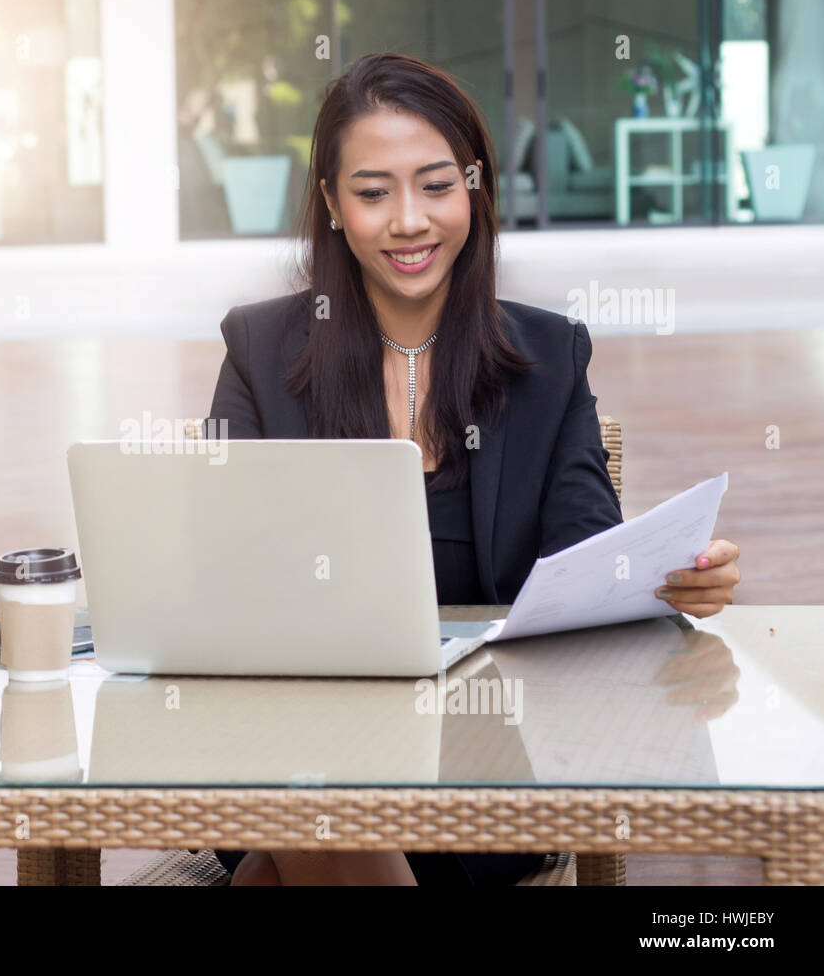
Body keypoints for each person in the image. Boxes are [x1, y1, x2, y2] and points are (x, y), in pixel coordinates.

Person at [203, 51, 742, 886]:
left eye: (437, 185)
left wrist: (671, 577)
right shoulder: (261, 348)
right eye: (373, 192)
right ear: (333, 206)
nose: (409, 221)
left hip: (491, 765)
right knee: (317, 786)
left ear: (476, 187)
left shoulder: (548, 356)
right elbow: (220, 572)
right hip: (302, 739)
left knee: (309, 824)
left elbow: (587, 563)